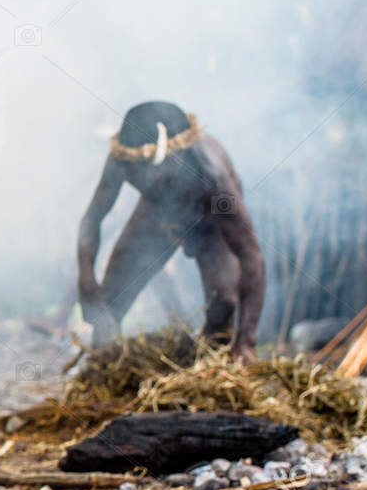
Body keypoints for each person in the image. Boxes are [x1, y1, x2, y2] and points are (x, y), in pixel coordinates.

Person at [77, 100, 264, 361]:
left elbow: (251, 255)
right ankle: (105, 365)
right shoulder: (126, 157)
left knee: (223, 305)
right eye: (135, 172)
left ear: (177, 157)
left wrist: (247, 340)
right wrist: (85, 280)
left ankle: (211, 365)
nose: (142, 179)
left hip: (210, 223)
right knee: (108, 306)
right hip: (157, 214)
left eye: (150, 171)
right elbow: (92, 218)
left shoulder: (213, 180)